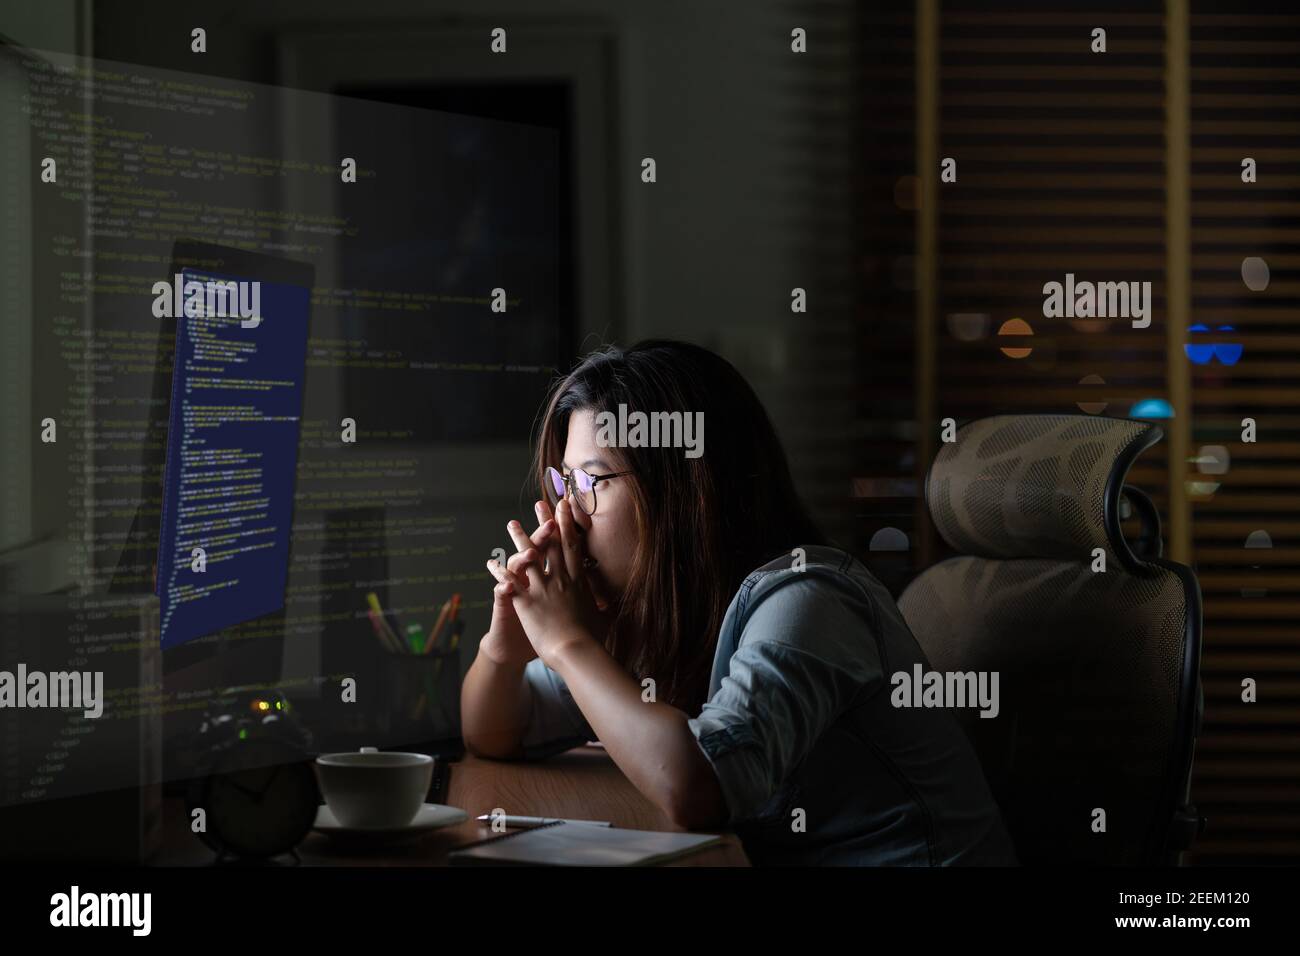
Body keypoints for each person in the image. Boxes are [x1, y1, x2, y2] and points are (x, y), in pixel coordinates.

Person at [459, 340, 1017, 865]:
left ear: (685, 485)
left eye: (591, 482)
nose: (567, 518)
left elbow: (703, 788)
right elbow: (494, 733)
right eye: (564, 485)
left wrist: (566, 644)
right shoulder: (651, 611)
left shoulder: (809, 599)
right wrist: (505, 652)